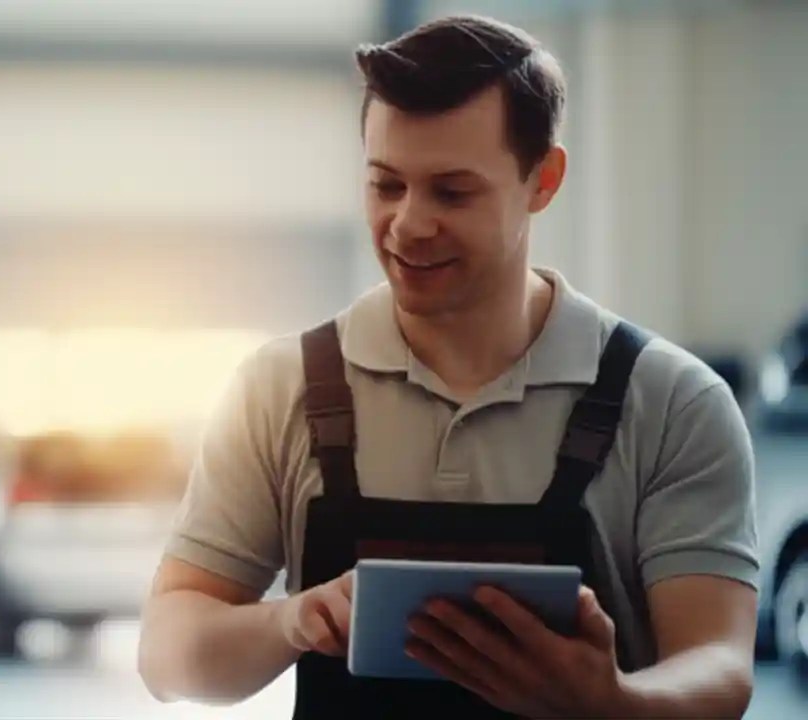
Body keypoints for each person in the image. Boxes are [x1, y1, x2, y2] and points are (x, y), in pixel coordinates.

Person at [139, 15, 758, 719]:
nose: (408, 224)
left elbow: (719, 666)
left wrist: (611, 702)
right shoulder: (280, 388)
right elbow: (167, 656)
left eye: (452, 192)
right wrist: (290, 621)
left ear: (543, 180)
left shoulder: (674, 402)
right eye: (386, 185)